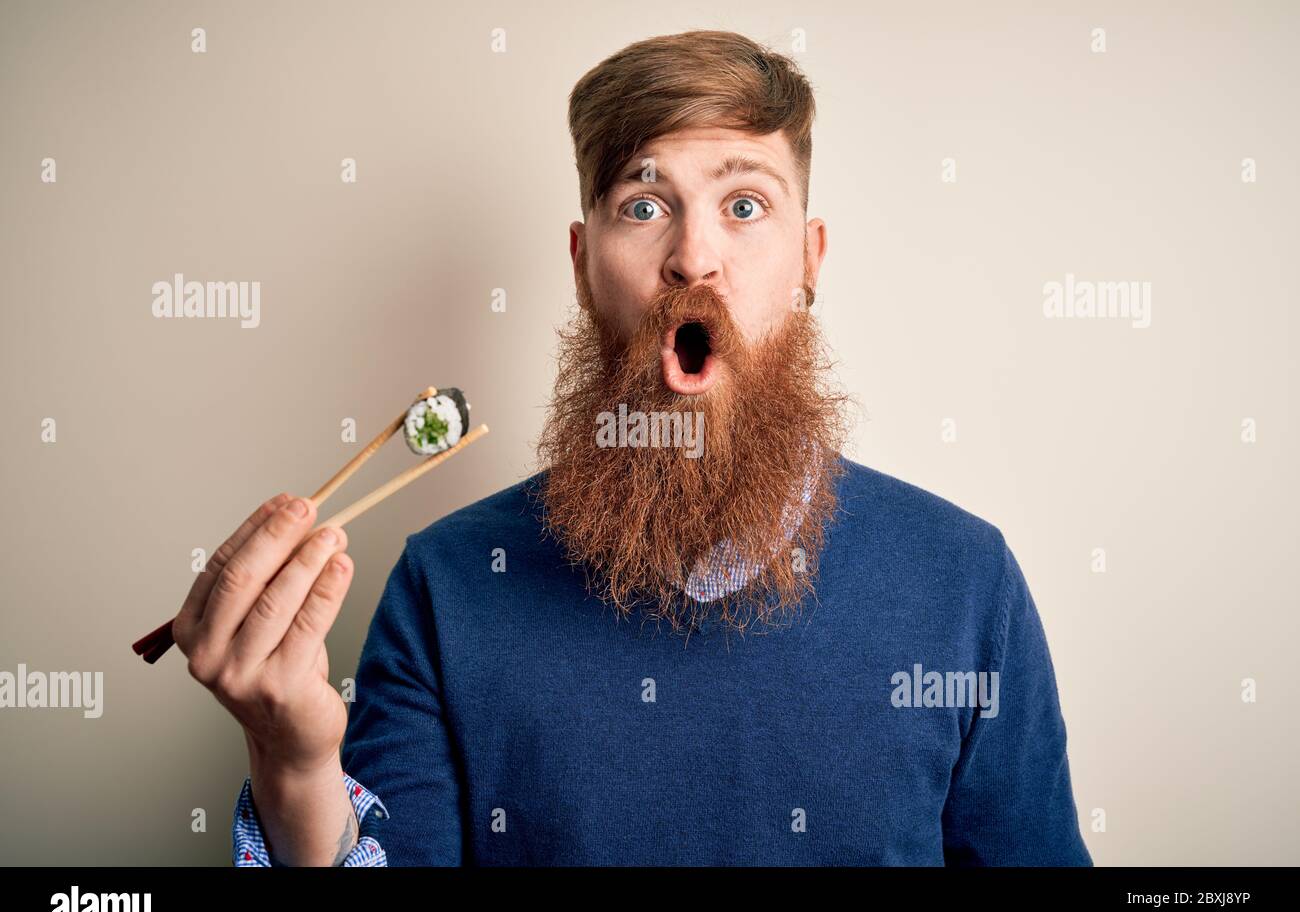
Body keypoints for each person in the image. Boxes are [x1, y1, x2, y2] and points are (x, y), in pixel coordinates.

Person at [178, 29, 1092, 866]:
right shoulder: (447, 588)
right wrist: (295, 769)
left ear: (810, 259)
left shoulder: (965, 585)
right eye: (644, 205)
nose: (695, 258)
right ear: (582, 266)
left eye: (744, 204)